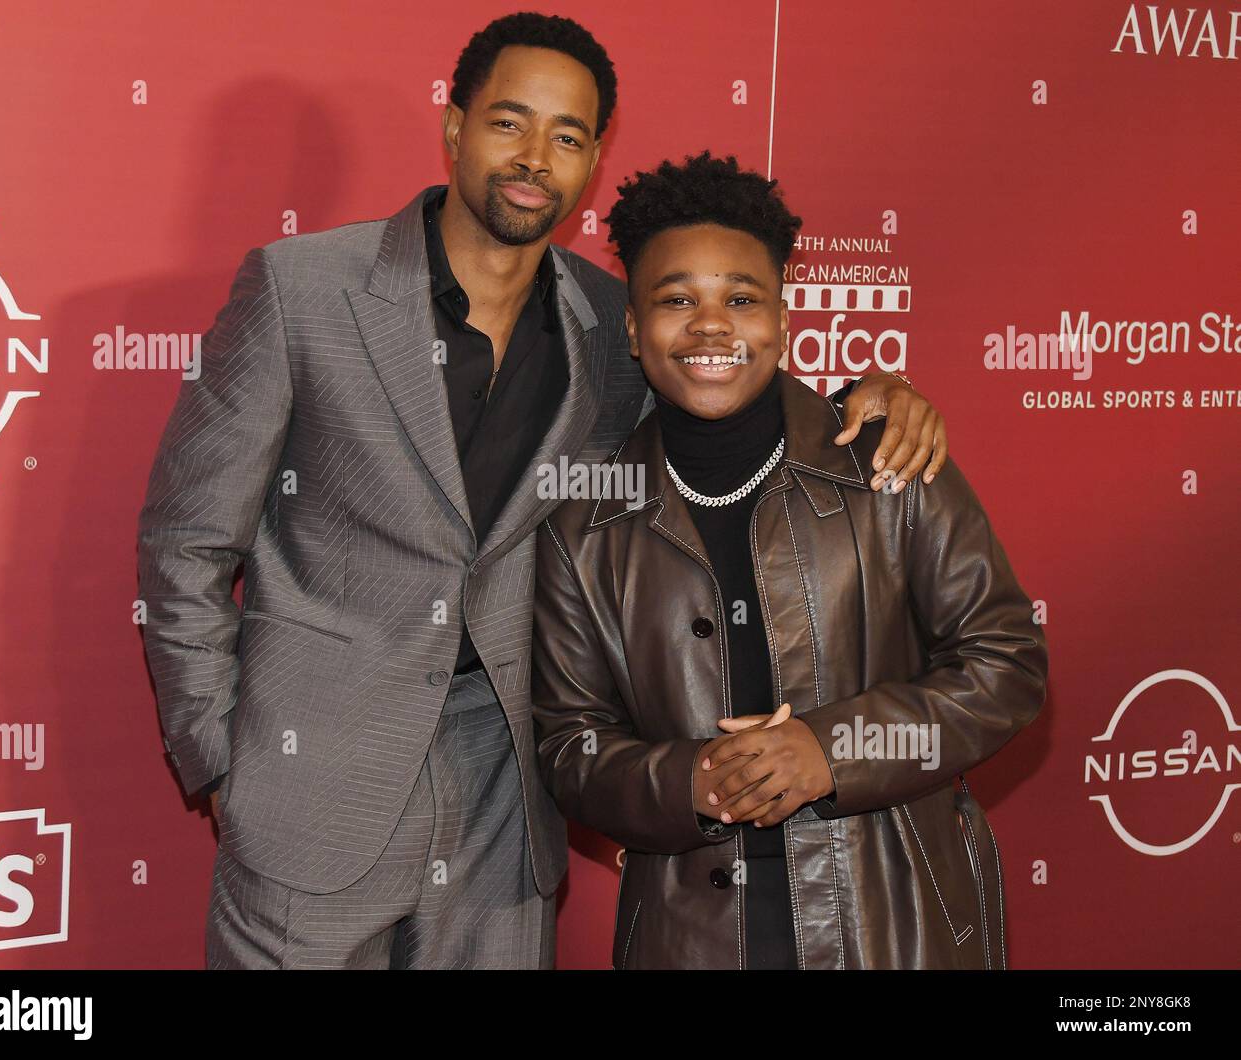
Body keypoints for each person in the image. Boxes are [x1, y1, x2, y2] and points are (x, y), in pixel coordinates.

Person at [137, 13, 948, 970]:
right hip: (310, 784)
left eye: (567, 137)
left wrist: (868, 397)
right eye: (509, 123)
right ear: (453, 124)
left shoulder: (613, 325)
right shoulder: (301, 289)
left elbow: (727, 374)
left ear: (594, 159)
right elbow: (185, 542)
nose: (534, 159)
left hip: (503, 800)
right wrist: (224, 760)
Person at [530, 150, 1048, 969]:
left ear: (782, 315)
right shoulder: (582, 525)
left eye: (741, 298)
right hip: (686, 940)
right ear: (632, 327)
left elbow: (1006, 665)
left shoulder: (890, 465)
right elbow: (568, 747)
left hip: (896, 923)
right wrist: (688, 782)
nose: (709, 325)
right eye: (675, 300)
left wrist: (833, 750)